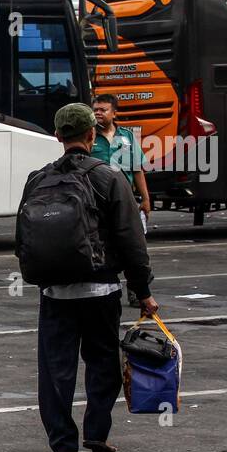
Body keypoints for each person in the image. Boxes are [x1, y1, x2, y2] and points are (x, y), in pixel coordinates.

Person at [20, 103, 158, 452]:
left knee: (55, 371)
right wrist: (142, 291)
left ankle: (65, 449)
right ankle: (97, 431)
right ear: (92, 135)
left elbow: (23, 238)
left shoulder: (37, 179)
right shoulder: (109, 177)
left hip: (54, 294)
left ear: (57, 136)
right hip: (101, 291)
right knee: (103, 364)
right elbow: (132, 242)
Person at [92, 94, 152, 304]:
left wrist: (146, 199)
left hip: (126, 201)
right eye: (95, 109)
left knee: (134, 246)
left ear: (114, 113)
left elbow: (137, 169)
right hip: (98, 202)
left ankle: (137, 291)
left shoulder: (126, 137)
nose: (98, 113)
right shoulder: (89, 136)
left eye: (103, 110)